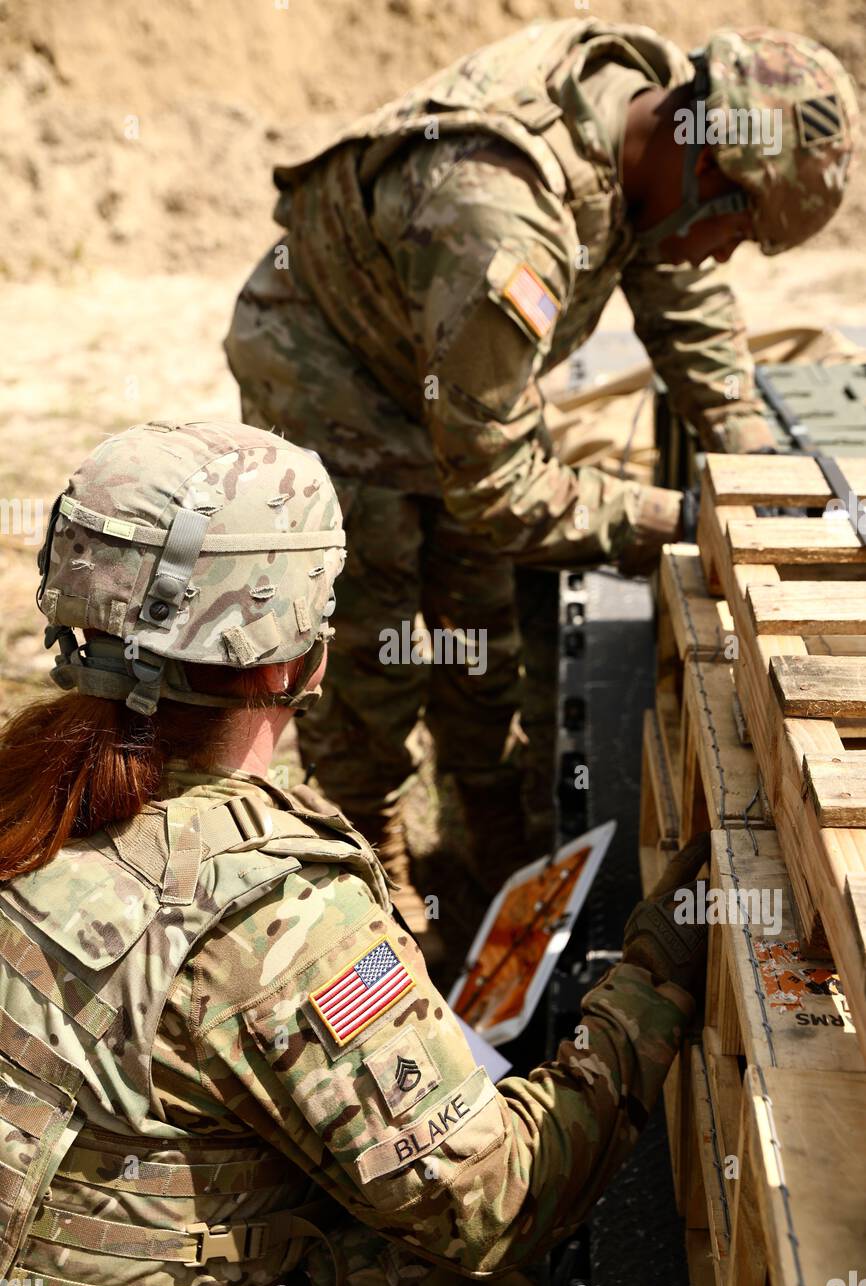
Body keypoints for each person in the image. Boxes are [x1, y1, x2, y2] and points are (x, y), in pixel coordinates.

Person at [0, 419, 708, 1286]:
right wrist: (654, 977)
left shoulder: (24, 796)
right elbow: (499, 1199)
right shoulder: (275, 914)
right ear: (289, 658)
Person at [224, 19, 858, 929]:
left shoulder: (656, 129)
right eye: (737, 233)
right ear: (710, 172)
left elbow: (688, 303)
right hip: (340, 377)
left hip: (460, 369)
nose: (723, 255)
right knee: (372, 649)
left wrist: (752, 464)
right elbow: (498, 489)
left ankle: (486, 845)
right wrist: (681, 517)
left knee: (478, 635)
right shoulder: (501, 216)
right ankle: (374, 869)